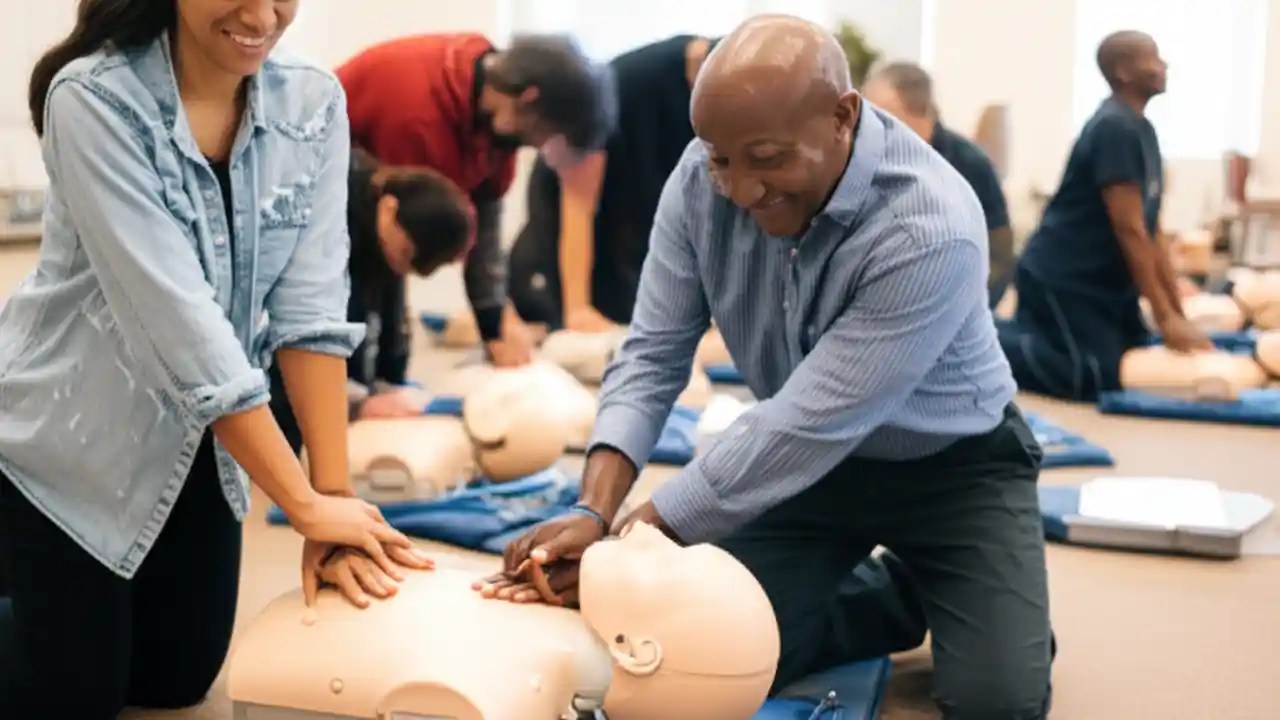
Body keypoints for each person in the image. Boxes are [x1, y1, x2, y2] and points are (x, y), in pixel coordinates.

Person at [477, 14, 1054, 720]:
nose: (742, 188)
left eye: (769, 158)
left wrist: (629, 545)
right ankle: (893, 600)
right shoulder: (701, 175)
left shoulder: (929, 227)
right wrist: (592, 508)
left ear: (843, 118)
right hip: (808, 476)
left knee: (996, 702)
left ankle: (957, 593)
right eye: (722, 158)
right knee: (698, 651)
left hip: (954, 468)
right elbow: (654, 351)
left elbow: (808, 422)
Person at [0, 1, 430, 716]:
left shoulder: (313, 102)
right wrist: (298, 504)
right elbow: (183, 331)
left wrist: (333, 500)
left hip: (199, 442)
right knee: (72, 697)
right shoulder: (94, 100)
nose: (262, 15)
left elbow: (312, 313)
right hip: (65, 449)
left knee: (176, 681)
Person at [336, 32, 614, 364]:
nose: (541, 148)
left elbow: (484, 228)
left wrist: (495, 326)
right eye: (548, 135)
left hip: (376, 226)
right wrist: (385, 375)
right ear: (529, 99)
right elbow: (390, 250)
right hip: (337, 221)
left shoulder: (495, 112)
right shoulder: (419, 113)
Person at [997, 31, 1210, 401]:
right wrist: (1165, 318)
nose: (1163, 66)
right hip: (1065, 278)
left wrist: (1177, 312)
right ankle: (984, 341)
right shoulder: (1114, 128)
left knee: (1133, 355)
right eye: (1153, 59)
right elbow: (1128, 230)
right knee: (1092, 377)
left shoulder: (1143, 129)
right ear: (1124, 72)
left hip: (1105, 283)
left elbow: (1152, 229)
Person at [268, 147, 476, 452]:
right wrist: (355, 404)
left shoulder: (384, 239)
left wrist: (388, 384)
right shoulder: (323, 219)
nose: (397, 266)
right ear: (390, 208)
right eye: (403, 253)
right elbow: (290, 338)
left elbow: (390, 324)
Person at [507, 35, 715, 332]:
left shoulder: (722, 105)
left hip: (629, 194)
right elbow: (578, 203)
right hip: (574, 186)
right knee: (571, 317)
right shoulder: (628, 86)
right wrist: (577, 308)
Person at [862, 61, 1015, 308]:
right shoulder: (870, 158)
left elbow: (998, 258)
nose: (865, 124)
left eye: (877, 113)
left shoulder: (969, 166)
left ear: (919, 111)